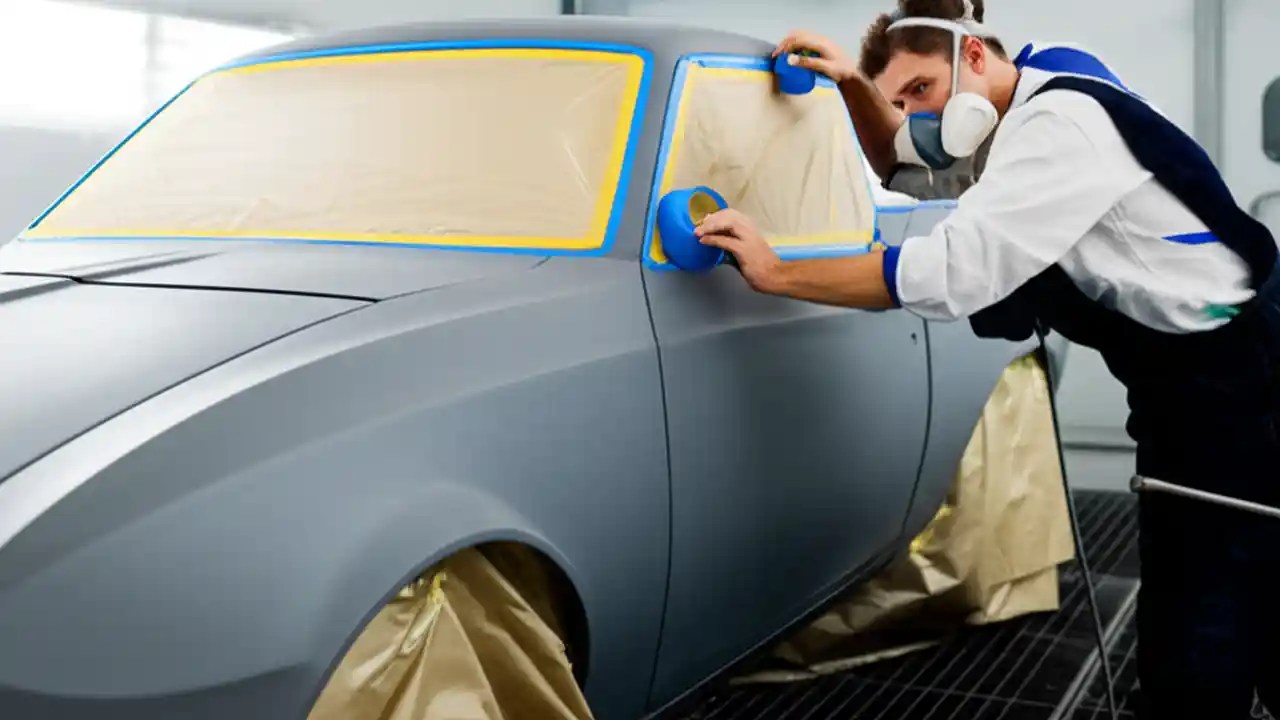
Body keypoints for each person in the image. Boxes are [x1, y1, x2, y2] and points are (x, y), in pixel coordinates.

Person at [695, 1, 1280, 718]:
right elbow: (901, 157)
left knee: (1206, 580)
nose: (917, 115)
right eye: (902, 100)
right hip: (1192, 366)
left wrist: (778, 272)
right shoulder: (1043, 71)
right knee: (1242, 560)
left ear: (973, 56)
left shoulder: (1055, 128)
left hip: (1236, 372)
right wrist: (852, 82)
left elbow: (944, 274)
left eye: (922, 91)